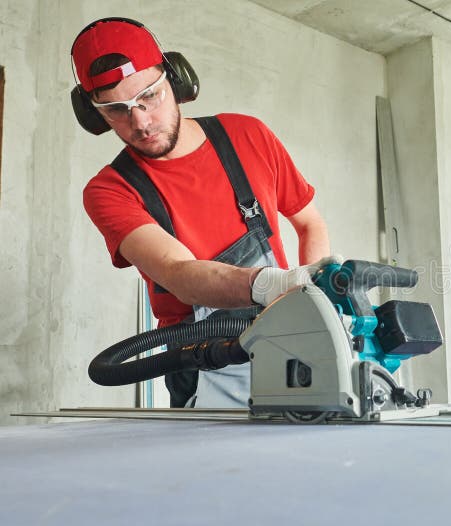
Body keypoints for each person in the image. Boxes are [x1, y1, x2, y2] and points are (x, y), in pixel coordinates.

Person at [71, 18, 340, 408]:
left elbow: (309, 221)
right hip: (201, 366)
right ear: (94, 115)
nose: (141, 122)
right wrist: (280, 283)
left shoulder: (249, 136)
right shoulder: (109, 190)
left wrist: (314, 296)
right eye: (116, 109)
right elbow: (180, 275)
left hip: (285, 345)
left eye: (150, 95)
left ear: (177, 81)